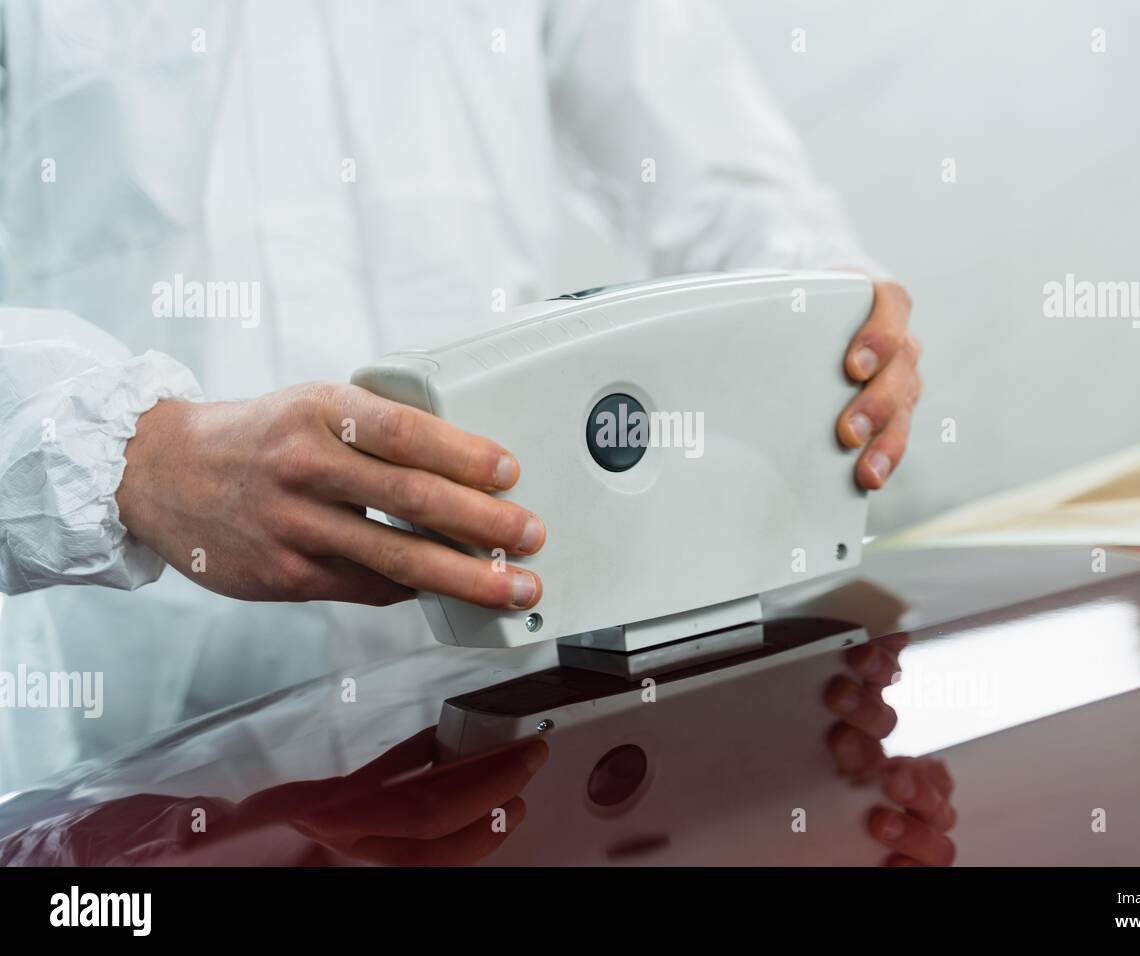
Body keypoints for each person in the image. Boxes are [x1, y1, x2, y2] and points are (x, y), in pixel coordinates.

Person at [0, 1, 921, 792]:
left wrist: (830, 316)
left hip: (500, 693)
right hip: (120, 723)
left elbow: (707, 157)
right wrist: (130, 457)